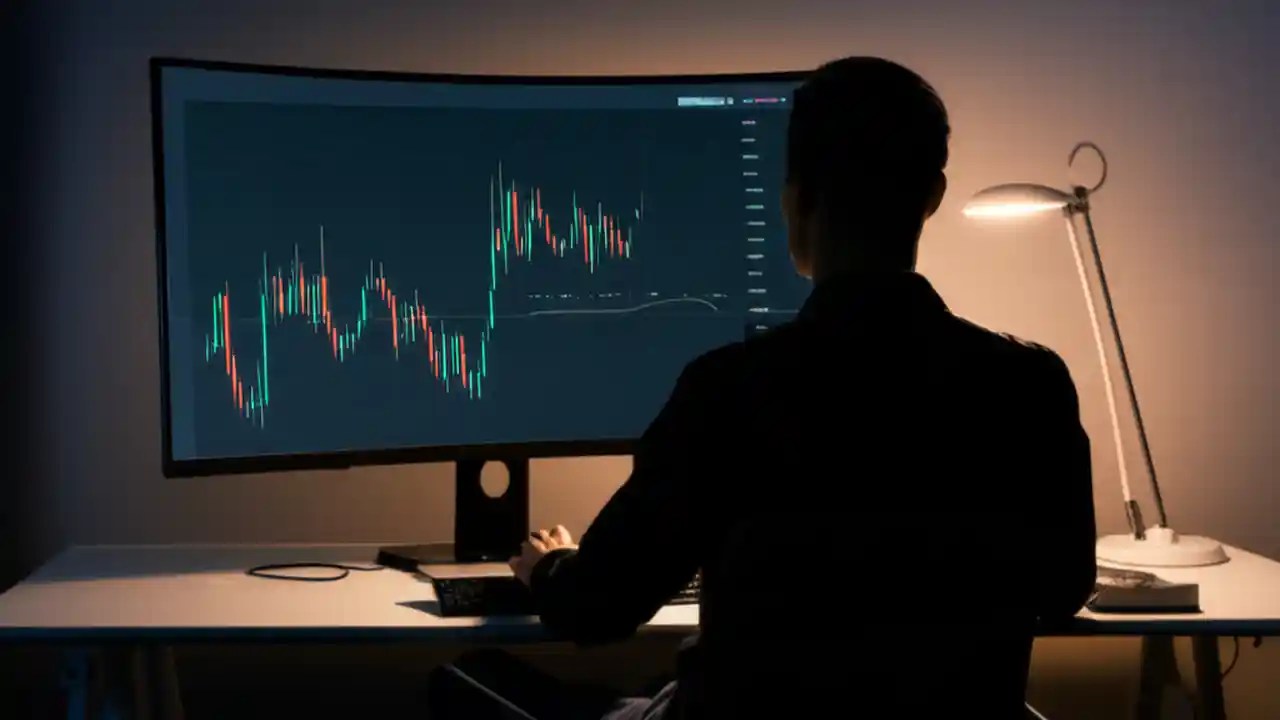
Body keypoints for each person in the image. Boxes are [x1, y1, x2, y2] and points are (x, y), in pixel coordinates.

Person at [431, 56, 1098, 720]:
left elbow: (599, 608)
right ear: (933, 195)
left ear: (796, 196)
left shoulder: (731, 390)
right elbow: (1063, 590)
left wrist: (550, 567)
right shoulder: (1031, 386)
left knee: (468, 681)